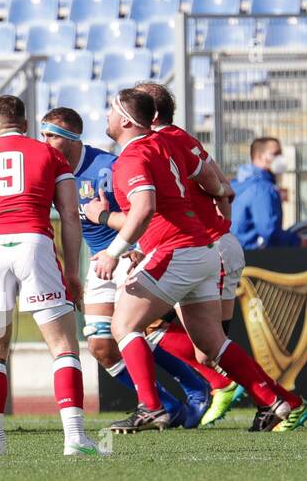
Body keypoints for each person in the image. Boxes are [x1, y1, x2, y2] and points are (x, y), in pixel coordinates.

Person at [89, 89, 303, 433]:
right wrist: (221, 216)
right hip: (205, 247)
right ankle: (275, 400)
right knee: (210, 344)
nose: (105, 118)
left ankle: (151, 406)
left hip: (176, 249)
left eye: (110, 111)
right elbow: (218, 183)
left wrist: (112, 250)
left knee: (123, 326)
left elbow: (144, 208)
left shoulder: (133, 157)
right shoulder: (171, 143)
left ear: (126, 119)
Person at [40, 106, 210, 430]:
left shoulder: (108, 166)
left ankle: (191, 386)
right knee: (101, 346)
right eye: (43, 134)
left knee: (131, 329)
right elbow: (71, 225)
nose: (45, 141)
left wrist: (133, 249)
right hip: (99, 260)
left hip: (130, 254)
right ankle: (167, 404)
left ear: (72, 139)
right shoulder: (51, 172)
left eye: (52, 135)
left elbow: (142, 212)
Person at [0, 95, 98, 457]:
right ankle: (74, 439)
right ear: (27, 126)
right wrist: (72, 272)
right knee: (62, 345)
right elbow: (69, 214)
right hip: (34, 242)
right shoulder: (50, 155)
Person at [232, 137, 306, 251]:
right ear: (260, 156)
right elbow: (269, 232)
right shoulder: (263, 188)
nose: (280, 158)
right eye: (276, 154)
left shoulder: (238, 183)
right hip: (255, 258)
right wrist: (297, 242)